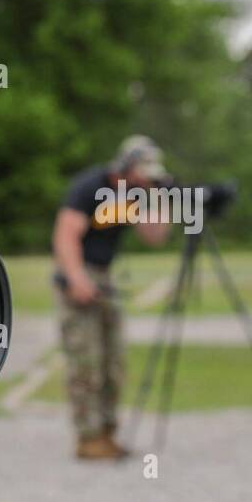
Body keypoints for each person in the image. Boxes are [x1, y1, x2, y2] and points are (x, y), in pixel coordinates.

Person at [52, 135, 172, 460]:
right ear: (124, 165)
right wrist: (76, 279)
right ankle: (88, 437)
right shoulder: (90, 186)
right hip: (79, 273)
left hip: (106, 278)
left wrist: (157, 197)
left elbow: (155, 236)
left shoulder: (136, 195)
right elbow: (65, 234)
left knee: (113, 362)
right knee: (86, 360)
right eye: (141, 171)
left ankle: (107, 433)